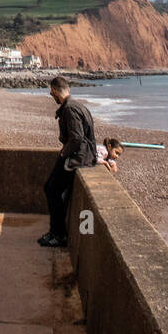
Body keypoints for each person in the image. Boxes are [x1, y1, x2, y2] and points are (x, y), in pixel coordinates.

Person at [39, 76, 97, 248]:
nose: (52, 96)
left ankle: (58, 235)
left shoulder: (70, 109)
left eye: (52, 93)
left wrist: (64, 153)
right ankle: (56, 232)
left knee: (52, 189)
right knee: (52, 189)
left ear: (56, 91)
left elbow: (77, 139)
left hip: (78, 158)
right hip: (83, 155)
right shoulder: (76, 105)